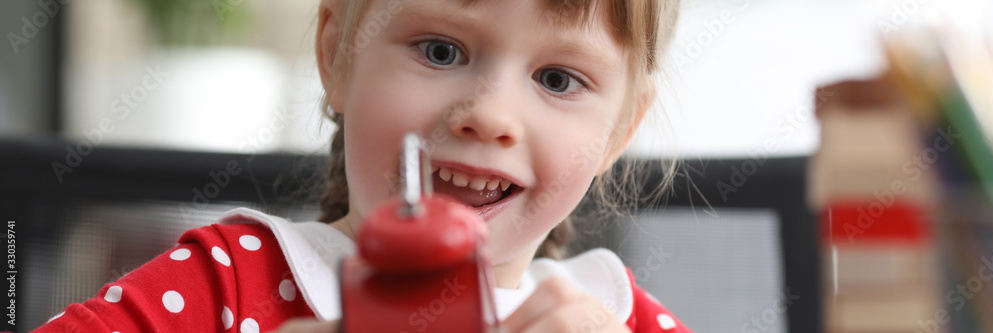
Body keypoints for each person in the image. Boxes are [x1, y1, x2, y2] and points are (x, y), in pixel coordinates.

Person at [36, 0, 690, 332]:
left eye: (557, 77)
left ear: (619, 131)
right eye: (439, 49)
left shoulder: (620, 319)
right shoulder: (228, 284)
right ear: (337, 54)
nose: (490, 115)